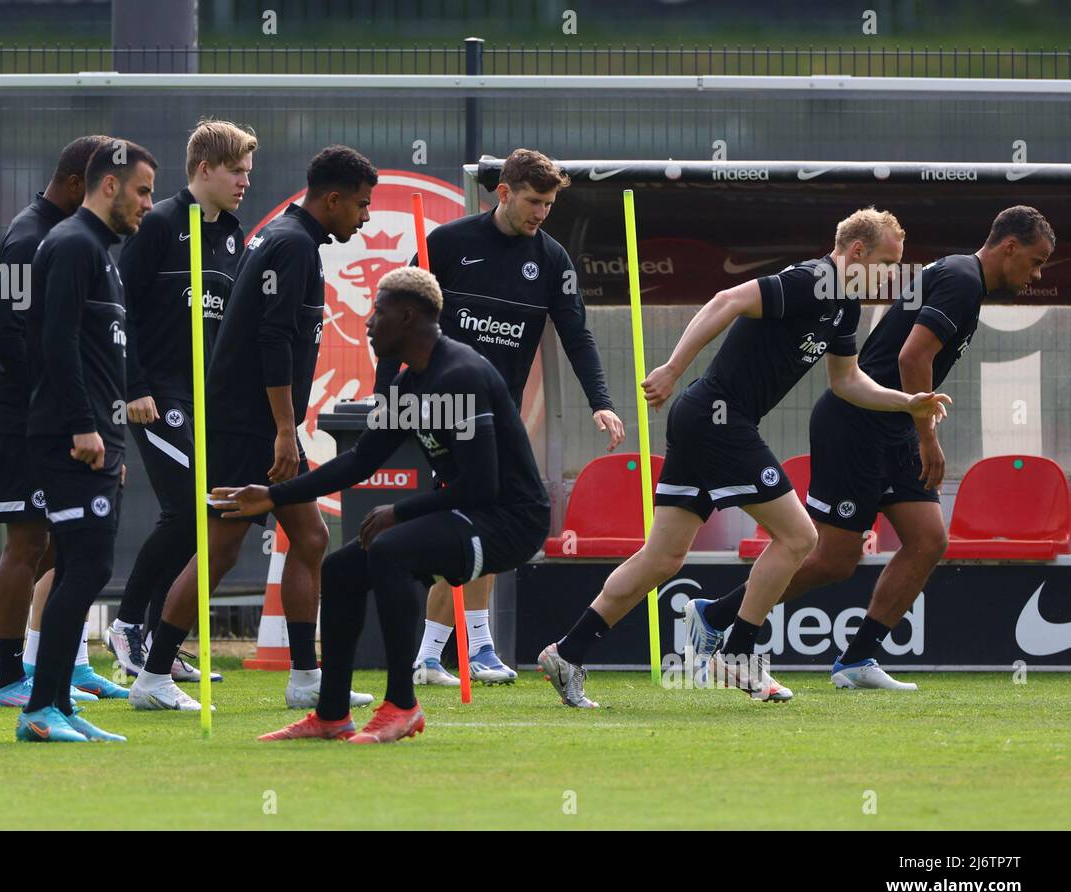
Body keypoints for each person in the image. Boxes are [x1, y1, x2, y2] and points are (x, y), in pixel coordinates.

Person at [539, 208, 950, 706]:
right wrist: (671, 368)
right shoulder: (813, 279)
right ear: (858, 252)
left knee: (662, 558)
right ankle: (736, 656)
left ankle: (568, 651)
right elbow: (726, 299)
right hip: (718, 418)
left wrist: (907, 402)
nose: (891, 277)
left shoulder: (846, 307)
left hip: (706, 420)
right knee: (800, 536)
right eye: (888, 263)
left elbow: (847, 382)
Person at [692, 206, 1055, 691]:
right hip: (858, 424)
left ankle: (857, 659)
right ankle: (717, 615)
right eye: (1034, 261)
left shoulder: (963, 278)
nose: (1035, 275)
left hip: (894, 426)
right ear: (1009, 246)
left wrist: (914, 428)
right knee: (832, 560)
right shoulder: (963, 278)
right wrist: (928, 436)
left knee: (928, 540)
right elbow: (913, 356)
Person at [216, 267, 551, 742]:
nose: (369, 323)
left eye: (379, 311)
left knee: (392, 550)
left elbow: (482, 483)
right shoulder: (408, 382)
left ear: (409, 317)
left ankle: (402, 706)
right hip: (468, 510)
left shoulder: (461, 375)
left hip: (510, 519)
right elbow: (359, 461)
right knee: (340, 571)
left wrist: (400, 511)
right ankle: (331, 713)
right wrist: (272, 496)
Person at [127, 145, 378, 712]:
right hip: (249, 428)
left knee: (311, 538)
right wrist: (286, 430)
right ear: (332, 199)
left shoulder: (288, 239)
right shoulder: (291, 245)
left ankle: (305, 678)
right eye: (360, 206)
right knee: (219, 548)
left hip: (256, 424)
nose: (364, 219)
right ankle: (152, 675)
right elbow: (271, 340)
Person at [373, 148, 624, 687]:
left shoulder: (551, 259)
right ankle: (472, 646)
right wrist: (384, 395)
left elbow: (576, 336)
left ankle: (434, 653)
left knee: (484, 523)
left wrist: (600, 400)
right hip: (445, 408)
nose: (542, 213)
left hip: (499, 415)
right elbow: (395, 317)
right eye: (534, 201)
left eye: (551, 204)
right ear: (503, 193)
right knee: (490, 514)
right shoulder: (448, 244)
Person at [0, 135, 126, 706]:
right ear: (75, 186)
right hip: (21, 418)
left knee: (55, 540)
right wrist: (65, 413)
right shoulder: (32, 238)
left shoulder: (71, 240)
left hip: (53, 416)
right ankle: (11, 675)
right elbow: (13, 339)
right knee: (29, 545)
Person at [15, 139, 157, 743]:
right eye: (143, 191)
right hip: (72, 435)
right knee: (90, 563)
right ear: (108, 186)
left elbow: (101, 354)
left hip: (100, 434)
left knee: (78, 561)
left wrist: (111, 430)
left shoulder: (98, 250)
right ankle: (40, 708)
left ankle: (55, 706)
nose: (149, 204)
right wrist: (82, 425)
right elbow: (55, 342)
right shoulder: (73, 244)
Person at [105, 119, 256, 686]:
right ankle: (126, 626)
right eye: (236, 172)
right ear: (203, 170)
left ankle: (156, 643)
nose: (244, 182)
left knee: (204, 513)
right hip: (158, 394)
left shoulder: (233, 235)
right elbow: (118, 310)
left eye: (248, 173)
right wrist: (134, 385)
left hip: (205, 399)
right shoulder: (160, 224)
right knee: (192, 509)